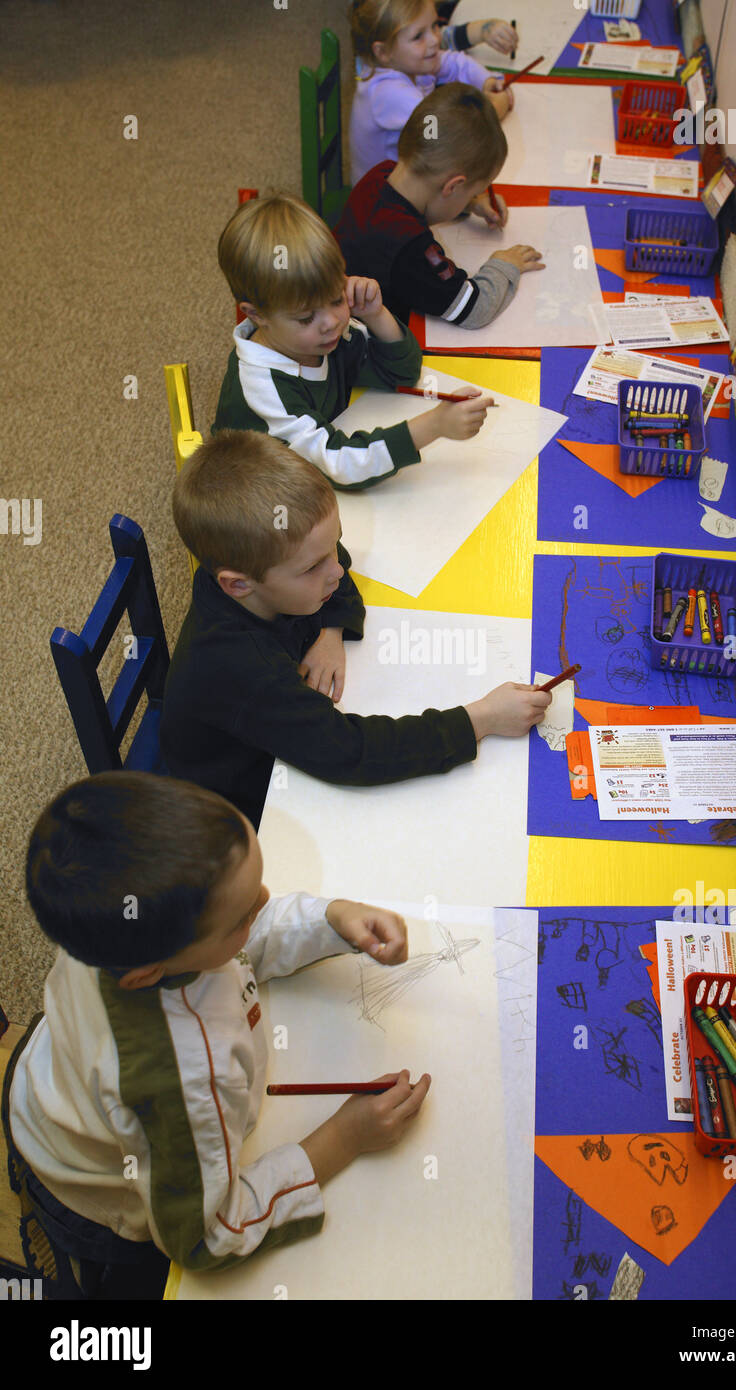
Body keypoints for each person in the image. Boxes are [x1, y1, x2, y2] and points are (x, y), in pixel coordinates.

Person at [7, 771, 430, 1289]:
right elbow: (205, 1236)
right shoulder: (175, 1078)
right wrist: (343, 1139)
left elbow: (232, 939)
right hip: (91, 1188)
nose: (266, 898)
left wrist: (332, 919)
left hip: (47, 1082)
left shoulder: (115, 917)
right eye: (243, 915)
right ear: (149, 974)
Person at [160, 430, 552, 827]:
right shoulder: (240, 668)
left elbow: (335, 566)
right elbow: (350, 752)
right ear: (239, 584)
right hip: (240, 806)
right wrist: (480, 719)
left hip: (270, 746)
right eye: (313, 567)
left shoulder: (273, 572)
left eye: (335, 545)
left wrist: (330, 630)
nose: (338, 570)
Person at [214, 192, 492, 489]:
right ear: (257, 315)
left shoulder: (327, 335)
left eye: (336, 299)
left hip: (313, 469)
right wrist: (433, 426)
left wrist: (376, 315)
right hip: (259, 496)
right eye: (306, 318)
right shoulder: (262, 388)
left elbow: (402, 372)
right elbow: (340, 466)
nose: (332, 321)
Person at [336, 83, 544, 330]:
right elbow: (474, 309)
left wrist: (471, 204)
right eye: (475, 191)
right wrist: (504, 264)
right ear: (452, 186)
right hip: (366, 344)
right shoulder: (411, 248)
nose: (476, 196)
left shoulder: (379, 174)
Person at [348, 0, 515, 183]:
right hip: (381, 200)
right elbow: (443, 135)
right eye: (418, 36)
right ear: (383, 52)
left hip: (408, 174)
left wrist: (485, 81)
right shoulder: (390, 94)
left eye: (435, 25)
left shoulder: (407, 62)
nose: (435, 39)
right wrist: (493, 109)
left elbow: (452, 62)